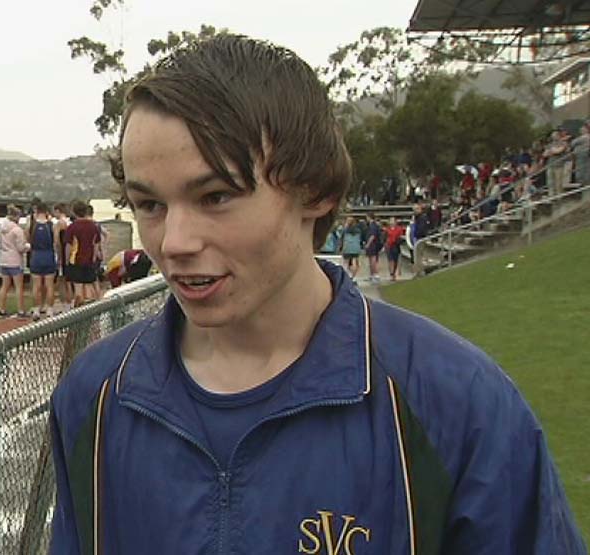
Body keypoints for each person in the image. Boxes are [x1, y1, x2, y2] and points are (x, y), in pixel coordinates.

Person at [49, 34, 585, 554]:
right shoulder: (95, 395)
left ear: (317, 190)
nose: (176, 242)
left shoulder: (455, 401)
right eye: (149, 205)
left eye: (215, 196)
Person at [63, 200, 101, 303]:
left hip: (76, 260)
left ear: (74, 212)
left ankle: (80, 309)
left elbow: (69, 246)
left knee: (78, 289)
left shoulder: (72, 227)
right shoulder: (94, 226)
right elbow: (96, 244)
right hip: (89, 260)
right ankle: (96, 306)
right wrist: (93, 258)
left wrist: (66, 261)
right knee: (91, 285)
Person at [0, 205, 30, 318]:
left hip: (3, 259)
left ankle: (1, 308)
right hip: (15, 260)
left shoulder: (2, 228)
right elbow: (21, 247)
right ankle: (21, 310)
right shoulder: (17, 230)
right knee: (18, 286)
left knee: (4, 285)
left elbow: (0, 243)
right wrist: (28, 246)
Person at [28, 201, 58, 320]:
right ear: (46, 212)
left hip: (36, 255)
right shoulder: (52, 225)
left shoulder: (31, 225)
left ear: (36, 212)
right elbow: (55, 242)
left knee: (36, 285)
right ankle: (49, 309)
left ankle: (36, 310)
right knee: (49, 285)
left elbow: (28, 239)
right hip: (48, 254)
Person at [53, 203, 74, 308]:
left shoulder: (59, 224)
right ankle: (70, 303)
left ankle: (65, 304)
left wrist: (58, 256)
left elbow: (56, 241)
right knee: (69, 280)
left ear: (58, 211)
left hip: (62, 253)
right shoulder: (70, 223)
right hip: (70, 254)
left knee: (62, 281)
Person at [363, 213, 383, 282]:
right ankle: (372, 275)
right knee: (371, 260)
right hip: (372, 244)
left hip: (373, 245)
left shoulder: (373, 226)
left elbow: (372, 236)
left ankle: (376, 275)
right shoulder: (372, 225)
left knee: (373, 260)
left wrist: (368, 244)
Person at [384, 216, 406, 281]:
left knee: (395, 260)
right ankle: (391, 274)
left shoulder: (399, 229)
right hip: (389, 246)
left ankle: (394, 272)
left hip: (396, 246)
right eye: (390, 221)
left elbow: (400, 237)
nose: (392, 222)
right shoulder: (387, 230)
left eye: (393, 221)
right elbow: (384, 238)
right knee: (390, 260)